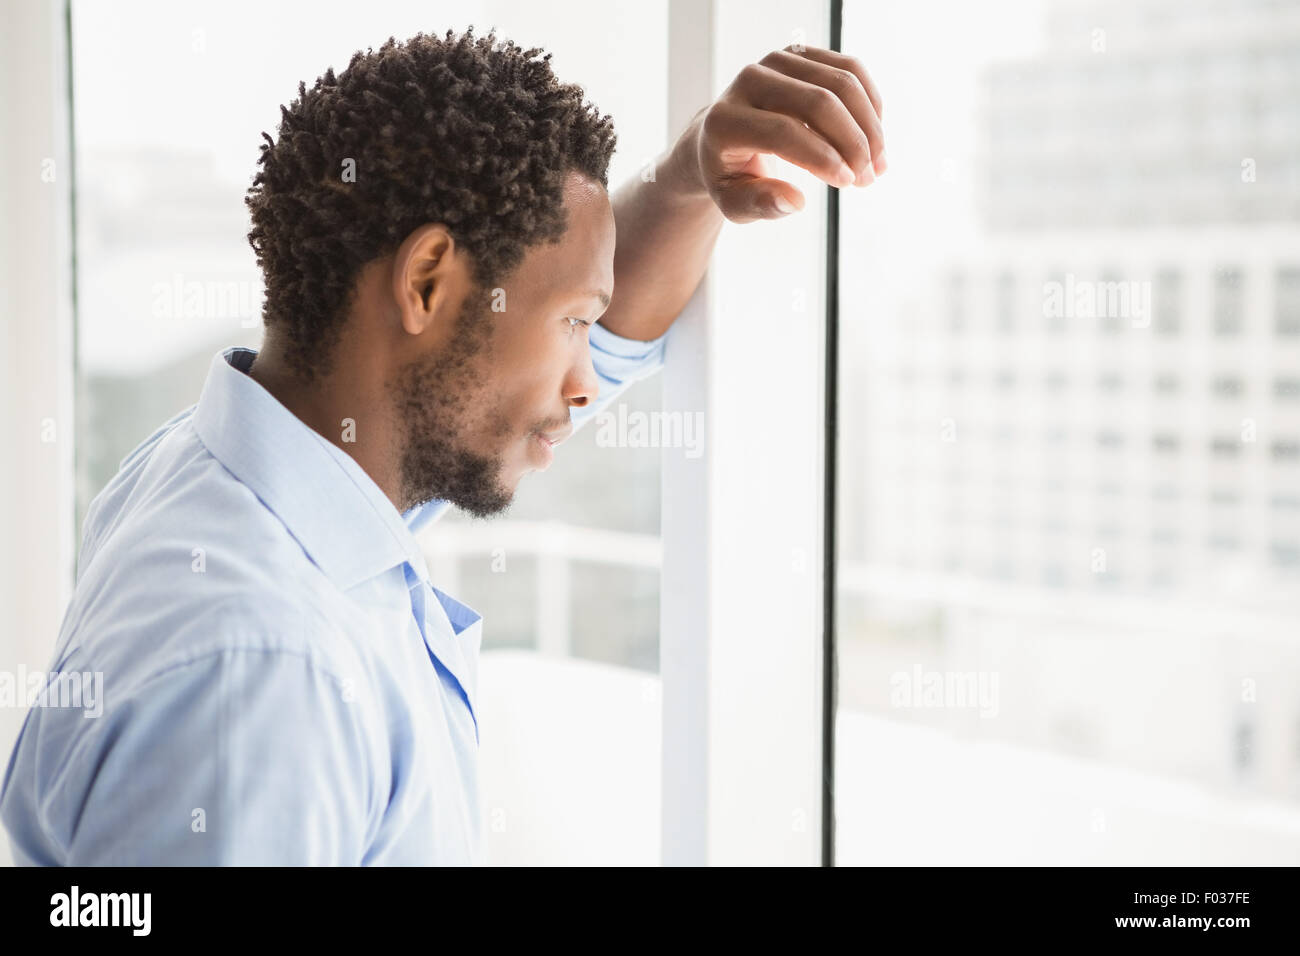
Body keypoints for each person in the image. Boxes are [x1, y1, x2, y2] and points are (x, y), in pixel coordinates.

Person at [0, 26, 884, 865]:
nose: (586, 377)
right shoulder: (270, 675)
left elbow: (570, 335)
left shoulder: (232, 472)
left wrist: (690, 175)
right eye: (574, 322)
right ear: (426, 283)